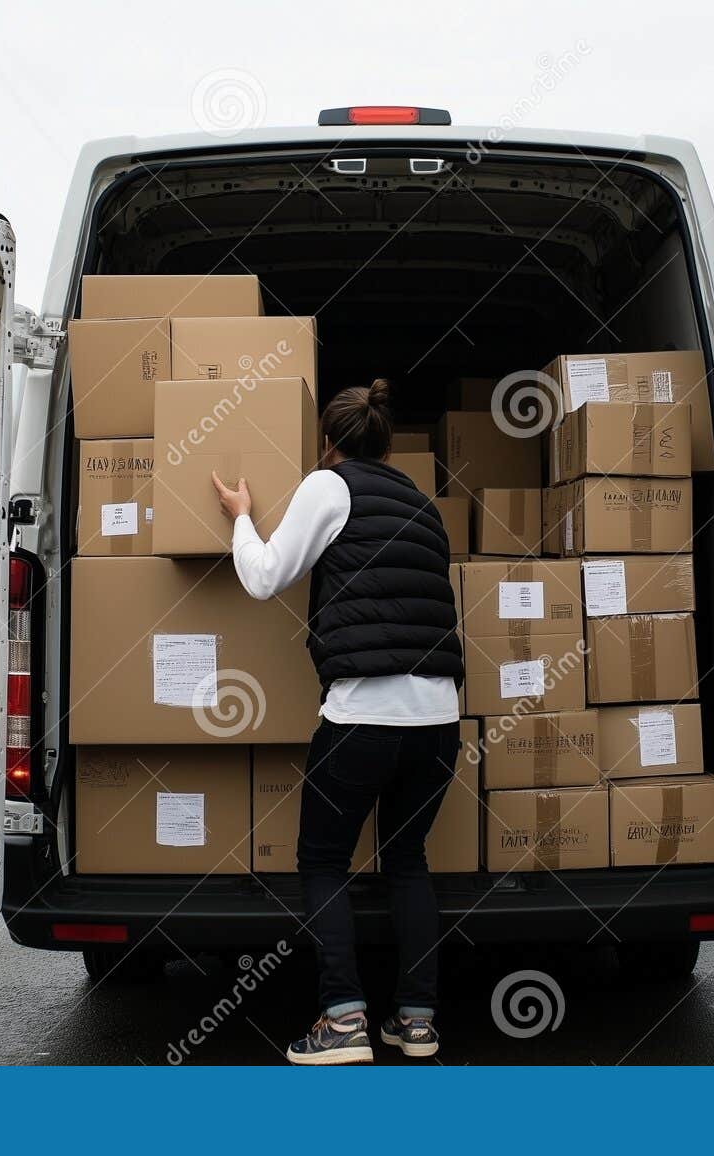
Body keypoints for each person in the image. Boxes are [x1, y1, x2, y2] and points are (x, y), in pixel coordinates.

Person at [211, 377, 463, 1065]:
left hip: (363, 717)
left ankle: (344, 1018)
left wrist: (241, 515)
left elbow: (265, 577)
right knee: (407, 858)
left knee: (323, 859)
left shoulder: (328, 486)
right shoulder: (423, 505)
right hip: (439, 720)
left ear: (328, 442)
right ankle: (417, 1022)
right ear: (388, 445)